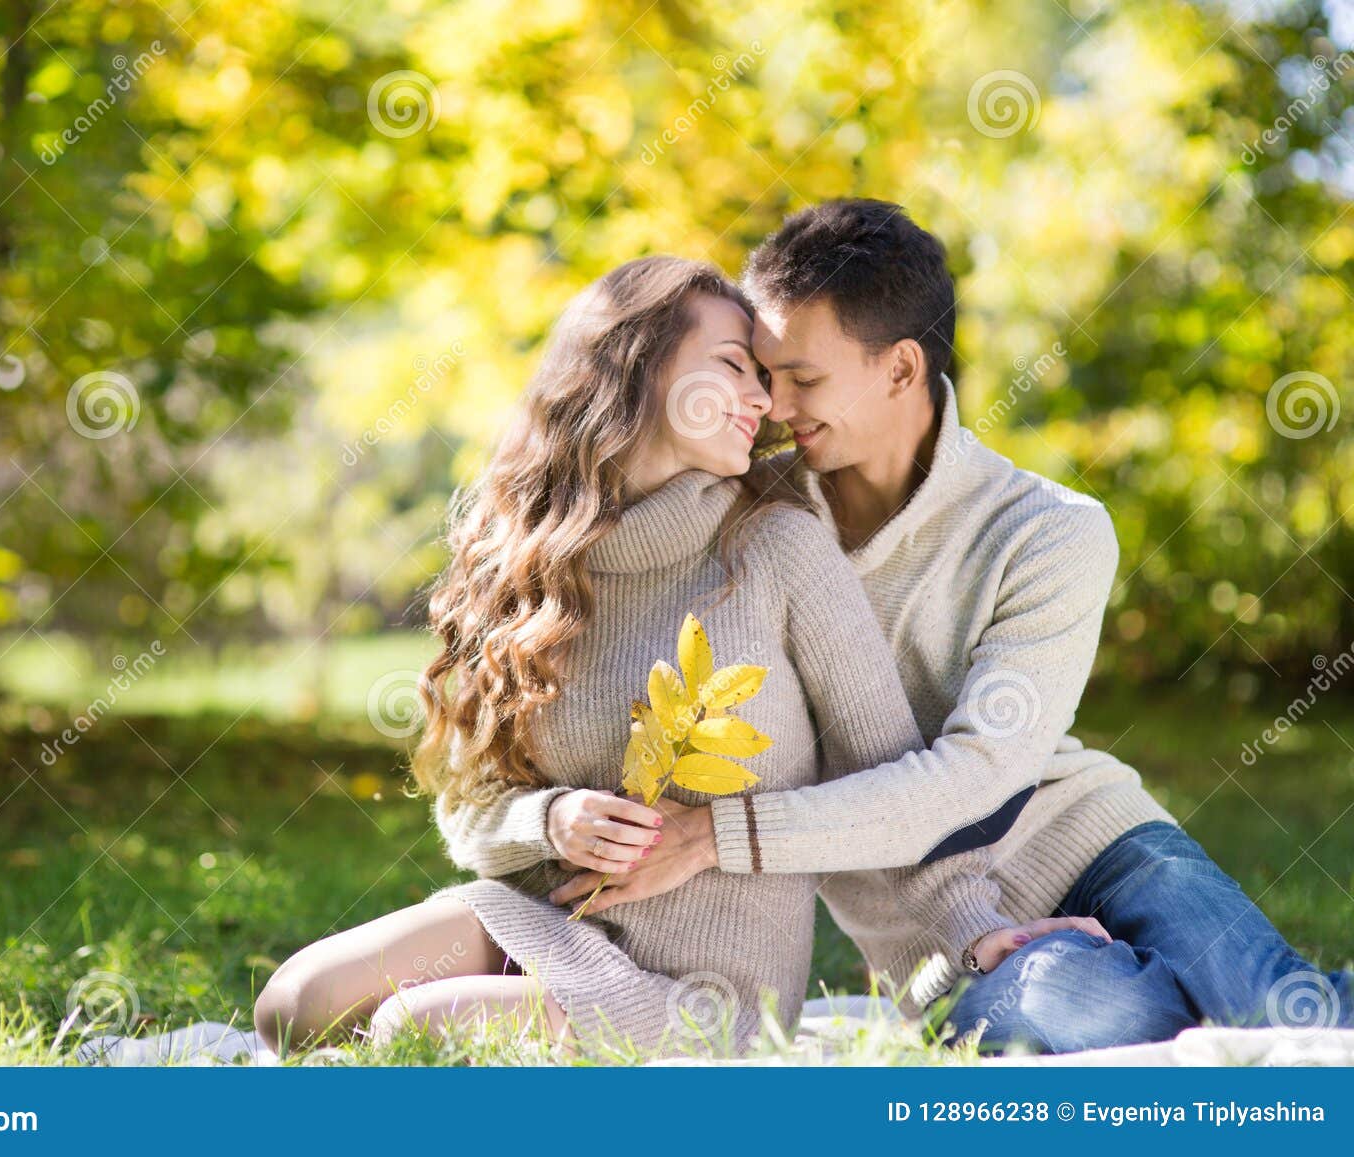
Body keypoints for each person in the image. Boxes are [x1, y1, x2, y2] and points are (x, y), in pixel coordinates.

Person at [539, 199, 1353, 1053]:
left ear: (899, 369)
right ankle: (1114, 986)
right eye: (763, 372)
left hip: (1100, 846)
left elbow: (976, 774)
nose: (772, 405)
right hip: (930, 929)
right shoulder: (742, 513)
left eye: (803, 378)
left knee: (1287, 1014)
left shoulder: (1047, 529)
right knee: (1116, 1022)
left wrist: (716, 837)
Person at [252, 255, 1045, 1058]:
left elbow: (890, 772)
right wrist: (550, 820)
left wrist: (975, 934)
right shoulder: (533, 563)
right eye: (735, 366)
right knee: (291, 1003)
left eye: (764, 377)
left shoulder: (778, 548)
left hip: (700, 989)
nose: (765, 401)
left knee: (408, 1027)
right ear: (637, 363)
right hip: (547, 920)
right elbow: (470, 809)